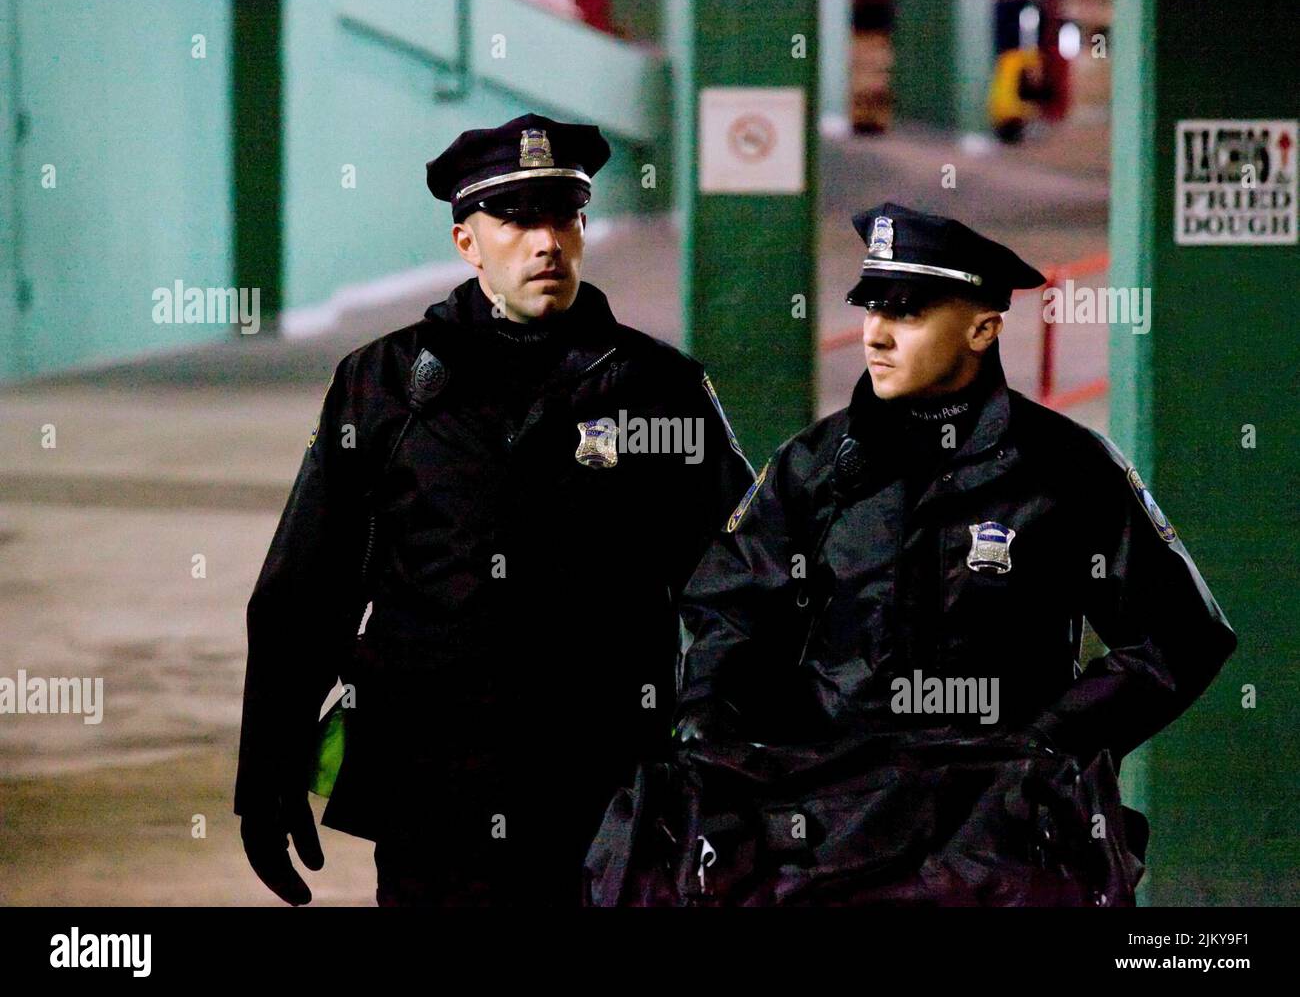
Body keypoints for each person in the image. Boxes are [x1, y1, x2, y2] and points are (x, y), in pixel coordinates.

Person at [234, 112, 756, 907]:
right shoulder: (382, 386)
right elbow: (305, 589)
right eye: (517, 220)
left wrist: (732, 763)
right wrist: (267, 768)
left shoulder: (657, 390)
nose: (547, 241)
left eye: (564, 216)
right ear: (467, 244)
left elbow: (740, 587)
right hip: (431, 790)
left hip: (606, 795)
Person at [670, 202, 1237, 905]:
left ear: (982, 326)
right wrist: (714, 732)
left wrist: (1051, 743)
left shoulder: (1067, 469)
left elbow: (1180, 634)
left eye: (905, 311)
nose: (874, 334)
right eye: (870, 306)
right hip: (835, 836)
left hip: (1003, 836)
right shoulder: (812, 468)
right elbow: (731, 612)